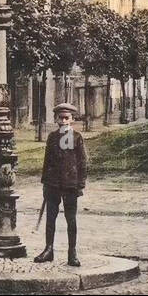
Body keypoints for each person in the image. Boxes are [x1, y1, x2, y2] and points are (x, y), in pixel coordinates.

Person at [34, 102, 86, 267]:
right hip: (53, 184)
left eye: (66, 118)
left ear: (72, 119)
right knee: (50, 218)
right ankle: (48, 250)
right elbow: (47, 161)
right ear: (56, 119)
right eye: (60, 118)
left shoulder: (77, 137)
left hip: (71, 185)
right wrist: (45, 183)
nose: (63, 121)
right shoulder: (52, 137)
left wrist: (80, 184)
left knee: (71, 219)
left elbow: (82, 162)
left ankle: (72, 253)